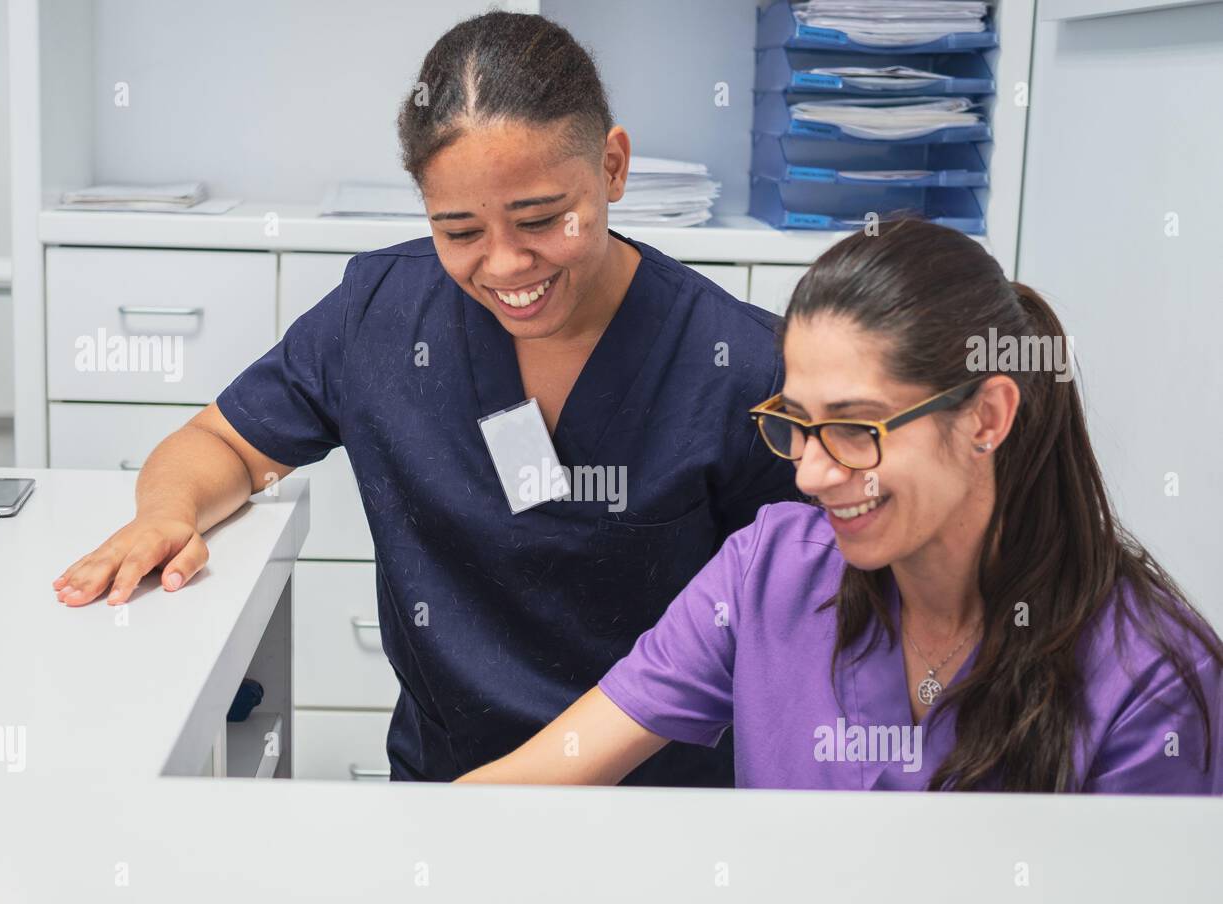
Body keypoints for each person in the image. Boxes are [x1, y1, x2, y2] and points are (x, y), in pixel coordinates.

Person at [49, 12, 798, 785]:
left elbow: (804, 623)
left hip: (664, 807)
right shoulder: (379, 317)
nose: (506, 265)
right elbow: (225, 443)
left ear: (612, 166)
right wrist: (167, 514)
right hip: (445, 793)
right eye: (459, 229)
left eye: (541, 218)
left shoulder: (739, 366)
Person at [458, 218, 1223, 793]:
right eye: (796, 424)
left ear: (987, 417)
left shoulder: (1147, 680)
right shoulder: (771, 571)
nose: (812, 475)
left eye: (856, 429)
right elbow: (541, 777)